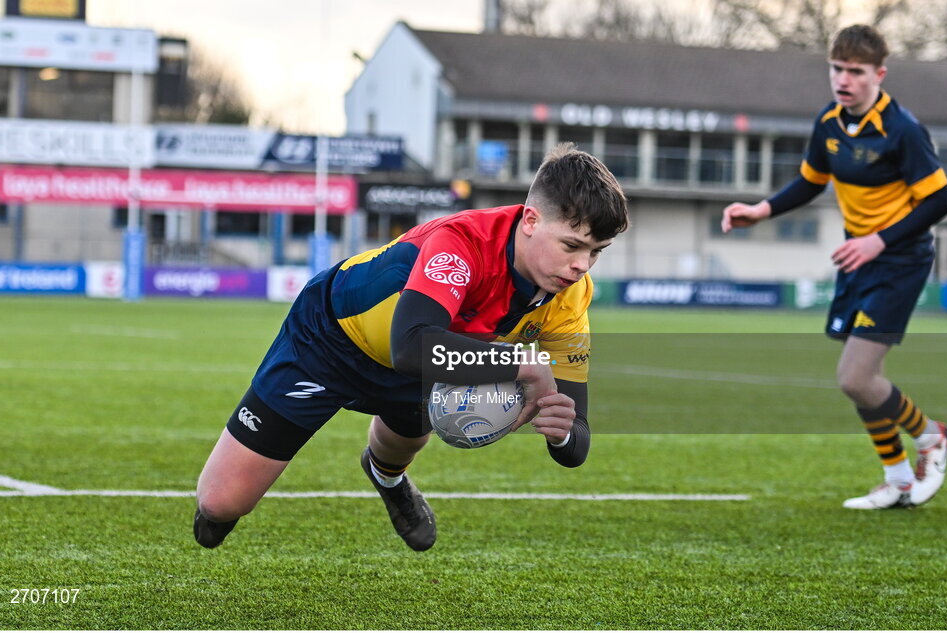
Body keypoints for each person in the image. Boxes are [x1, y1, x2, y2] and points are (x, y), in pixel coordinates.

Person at [193, 143, 629, 550]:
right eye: (572, 246)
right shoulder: (464, 243)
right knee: (220, 505)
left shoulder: (571, 296)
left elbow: (578, 438)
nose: (580, 266)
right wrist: (523, 365)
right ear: (531, 221)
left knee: (400, 446)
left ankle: (387, 479)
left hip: (429, 356)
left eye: (596, 252)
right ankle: (229, 499)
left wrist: (562, 430)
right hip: (330, 340)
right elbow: (411, 344)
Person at [721, 24, 947, 510]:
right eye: (837, 69)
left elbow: (939, 202)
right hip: (859, 258)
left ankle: (933, 437)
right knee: (860, 381)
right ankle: (897, 479)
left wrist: (878, 241)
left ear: (879, 75)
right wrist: (760, 210)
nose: (844, 79)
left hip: (900, 259)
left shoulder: (903, 130)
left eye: (856, 72)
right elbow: (810, 183)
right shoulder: (828, 123)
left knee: (855, 377)